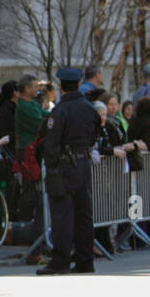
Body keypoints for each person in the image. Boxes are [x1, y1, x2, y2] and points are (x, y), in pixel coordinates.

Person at [37, 67, 101, 275]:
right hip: (83, 163)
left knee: (62, 214)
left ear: (61, 86)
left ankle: (61, 260)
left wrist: (52, 166)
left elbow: (52, 143)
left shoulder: (60, 111)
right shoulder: (89, 108)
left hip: (64, 166)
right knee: (84, 214)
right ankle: (85, 260)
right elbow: (95, 135)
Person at [14, 74, 46, 151]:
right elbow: (40, 125)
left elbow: (45, 113)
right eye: (35, 87)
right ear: (27, 88)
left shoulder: (33, 103)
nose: (38, 89)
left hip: (34, 148)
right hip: (27, 151)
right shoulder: (23, 107)